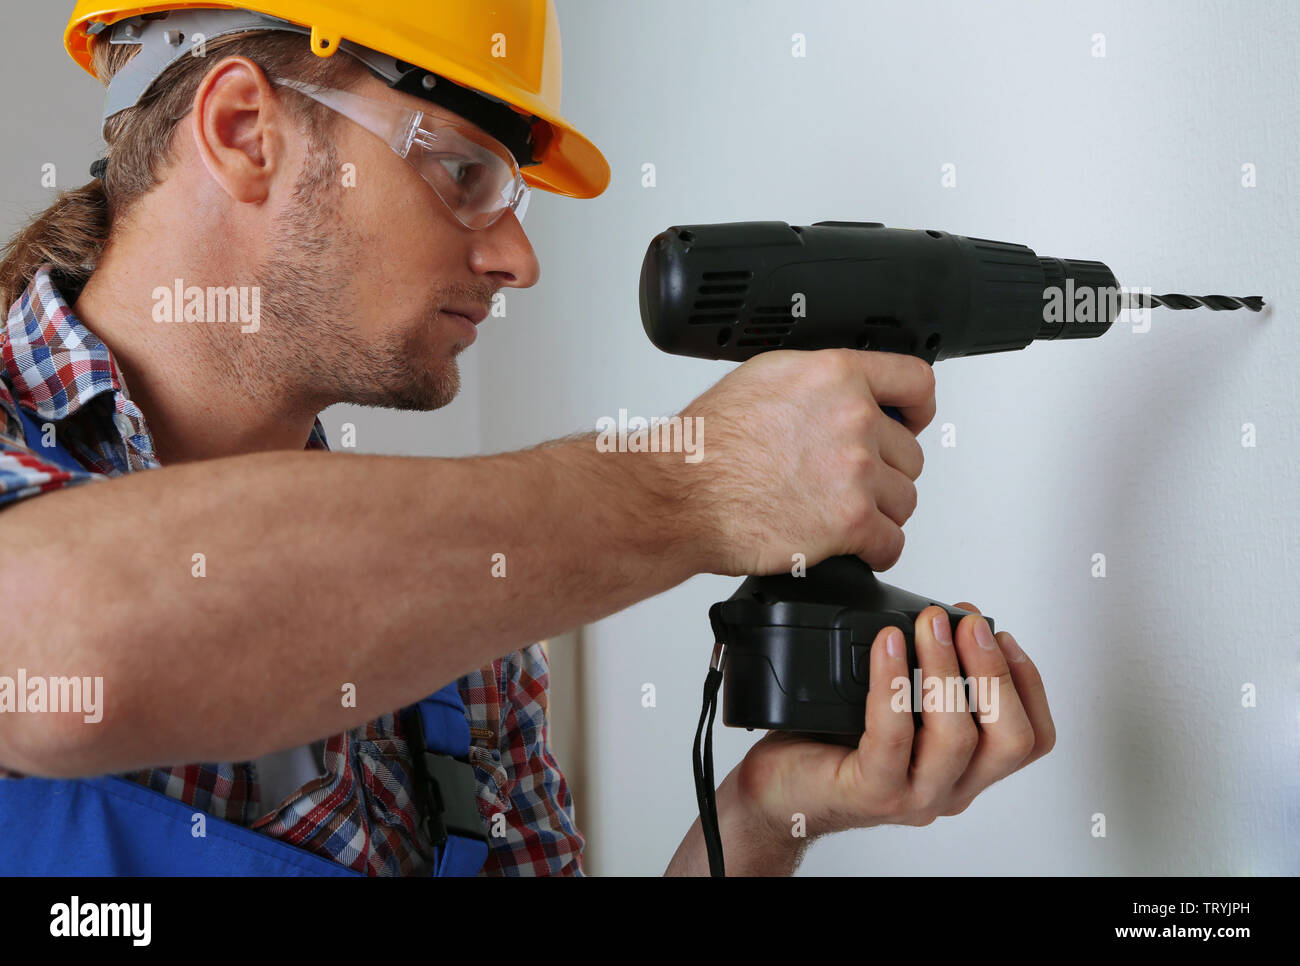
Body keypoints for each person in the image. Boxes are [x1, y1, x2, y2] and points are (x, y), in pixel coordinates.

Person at [0, 1, 1053, 876]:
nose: (516, 260)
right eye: (464, 175)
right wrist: (688, 486)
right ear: (243, 130)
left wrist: (767, 815)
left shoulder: (460, 641)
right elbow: (56, 642)